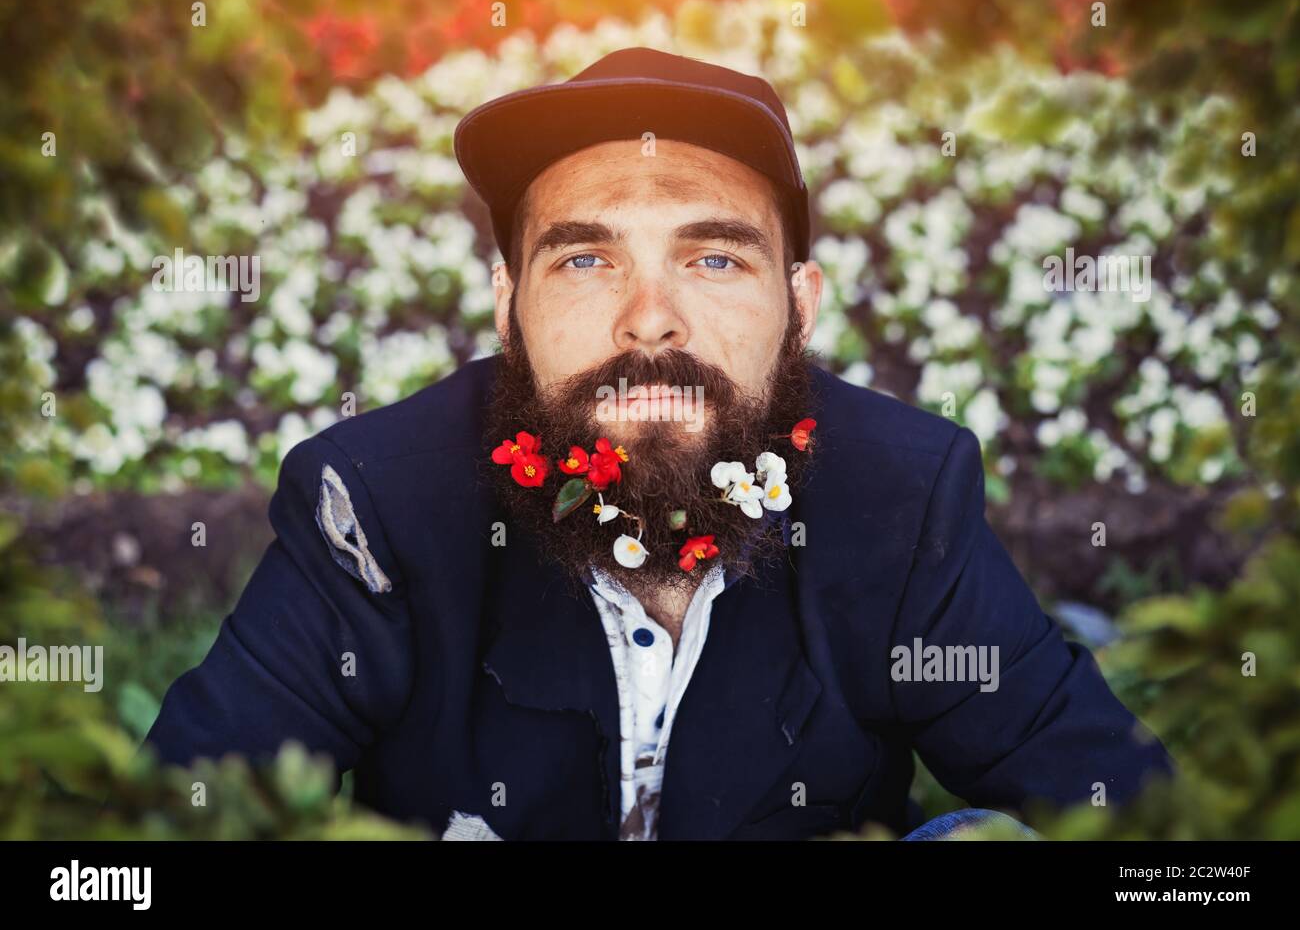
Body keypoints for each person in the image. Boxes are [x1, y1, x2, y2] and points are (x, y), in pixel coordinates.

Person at [145, 48, 1175, 840]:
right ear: (508, 308)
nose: (649, 320)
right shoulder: (371, 503)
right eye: (586, 257)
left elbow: (1140, 819)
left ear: (799, 308)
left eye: (714, 258)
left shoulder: (897, 496)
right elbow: (143, 842)